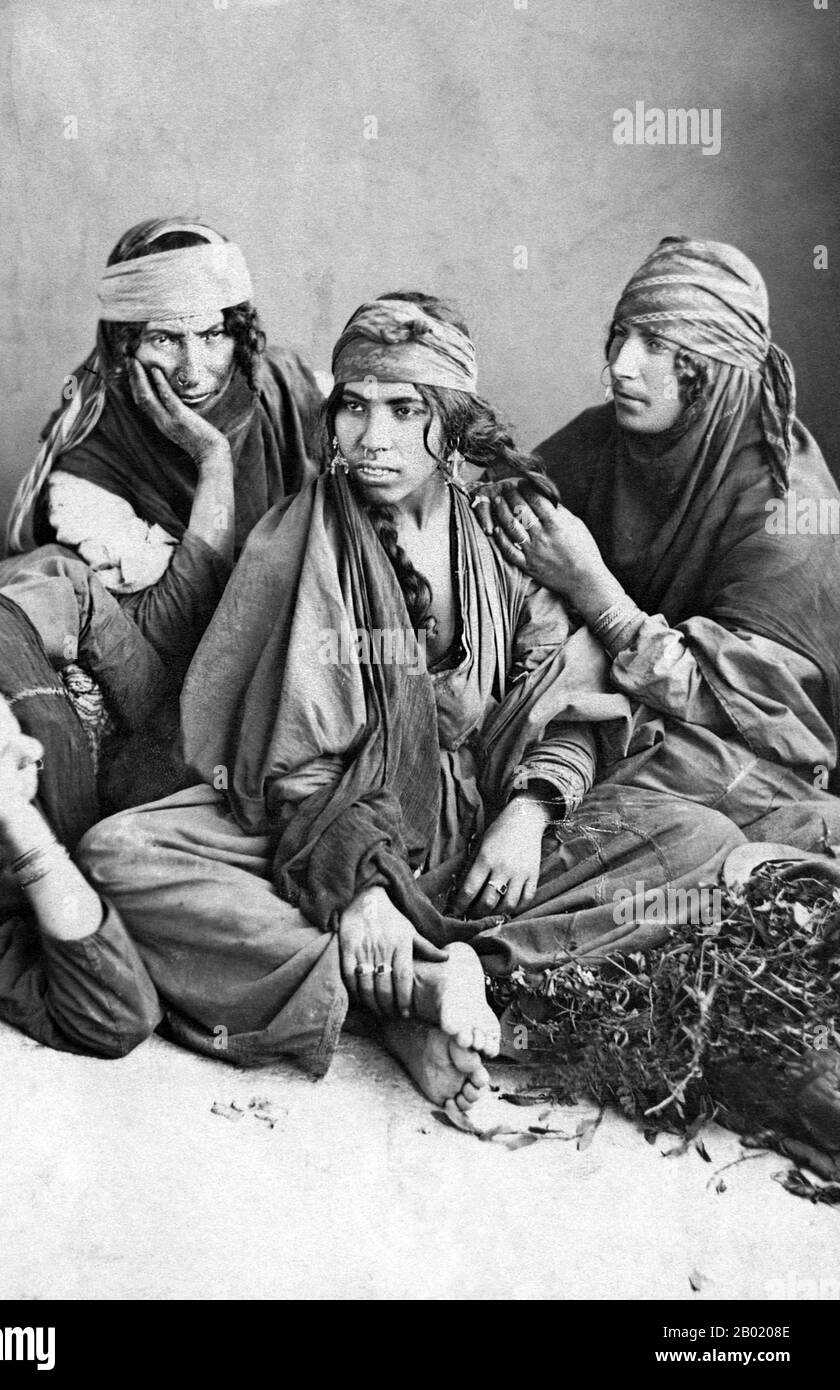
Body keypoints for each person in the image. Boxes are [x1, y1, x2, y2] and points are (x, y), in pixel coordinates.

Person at [79, 293, 744, 1121]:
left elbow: (568, 688)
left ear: (453, 423)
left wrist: (533, 812)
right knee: (123, 856)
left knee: (701, 842)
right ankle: (415, 992)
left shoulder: (498, 533)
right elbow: (293, 762)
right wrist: (360, 891)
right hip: (322, 829)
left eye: (406, 410)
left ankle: (414, 978)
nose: (374, 438)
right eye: (355, 408)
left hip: (472, 842)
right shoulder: (300, 538)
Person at [473, 237, 840, 850]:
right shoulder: (602, 438)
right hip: (599, 710)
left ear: (716, 370)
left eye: (658, 347)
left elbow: (761, 716)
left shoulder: (788, 504)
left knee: (707, 778)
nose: (622, 364)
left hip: (723, 742)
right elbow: (492, 513)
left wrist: (595, 592)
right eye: (622, 336)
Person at [5, 217, 323, 670]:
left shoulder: (283, 386)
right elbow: (171, 629)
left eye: (213, 335)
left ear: (240, 334)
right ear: (124, 347)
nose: (192, 371)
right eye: (165, 339)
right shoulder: (89, 467)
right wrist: (212, 459)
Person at [0, 586, 164, 1053]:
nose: (33, 748)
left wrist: (160, 736)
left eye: (6, 716)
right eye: (6, 760)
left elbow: (74, 592)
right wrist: (30, 838)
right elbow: (113, 1018)